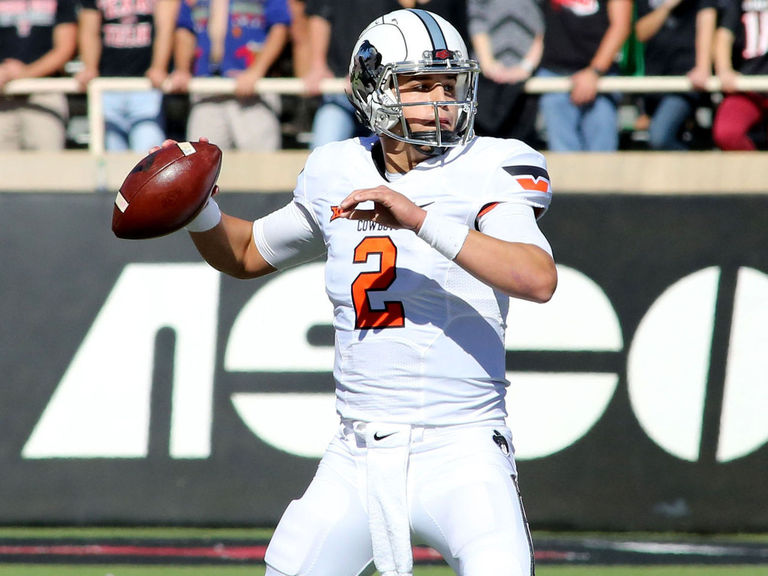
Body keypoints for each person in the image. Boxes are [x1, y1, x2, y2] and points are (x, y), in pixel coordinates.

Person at [156, 8, 556, 575]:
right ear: (373, 88)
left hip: (464, 453)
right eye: (419, 86)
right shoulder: (335, 169)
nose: (440, 101)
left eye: (449, 84)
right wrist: (200, 212)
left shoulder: (492, 165)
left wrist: (421, 220)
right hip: (358, 454)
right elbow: (247, 253)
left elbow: (536, 277)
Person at [164, 0, 291, 151]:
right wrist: (182, 69)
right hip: (206, 91)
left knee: (261, 164)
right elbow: (185, 29)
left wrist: (256, 71)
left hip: (254, 94)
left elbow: (280, 27)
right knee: (202, 161)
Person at [76, 0, 176, 152]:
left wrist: (159, 67)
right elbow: (89, 29)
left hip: (146, 87)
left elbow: (166, 27)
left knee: (149, 151)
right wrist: (90, 66)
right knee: (111, 154)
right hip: (107, 86)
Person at [537, 0, 633, 151]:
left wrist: (594, 72)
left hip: (601, 78)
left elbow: (620, 26)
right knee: (563, 156)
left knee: (601, 154)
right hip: (555, 74)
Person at [302, 0, 399, 148]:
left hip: (385, 93)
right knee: (322, 154)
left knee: (386, 159)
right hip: (338, 92)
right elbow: (320, 13)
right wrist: (317, 64)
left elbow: (404, 19)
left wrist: (368, 73)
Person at [634, 0, 717, 150]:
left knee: (660, 137)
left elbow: (707, 20)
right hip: (653, 84)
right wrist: (667, 6)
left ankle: (699, 168)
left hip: (687, 81)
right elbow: (641, 33)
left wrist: (703, 66)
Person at [0, 0, 77, 150]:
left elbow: (65, 48)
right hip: (2, 96)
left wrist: (23, 74)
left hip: (45, 93)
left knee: (49, 166)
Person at [467, 0, 544, 143]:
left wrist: (526, 67)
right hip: (486, 77)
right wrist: (488, 64)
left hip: (526, 77)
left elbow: (543, 25)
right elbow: (476, 21)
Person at [712, 0, 768, 151]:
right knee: (728, 133)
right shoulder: (738, 3)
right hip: (748, 88)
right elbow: (724, 34)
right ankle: (755, 171)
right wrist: (724, 69)